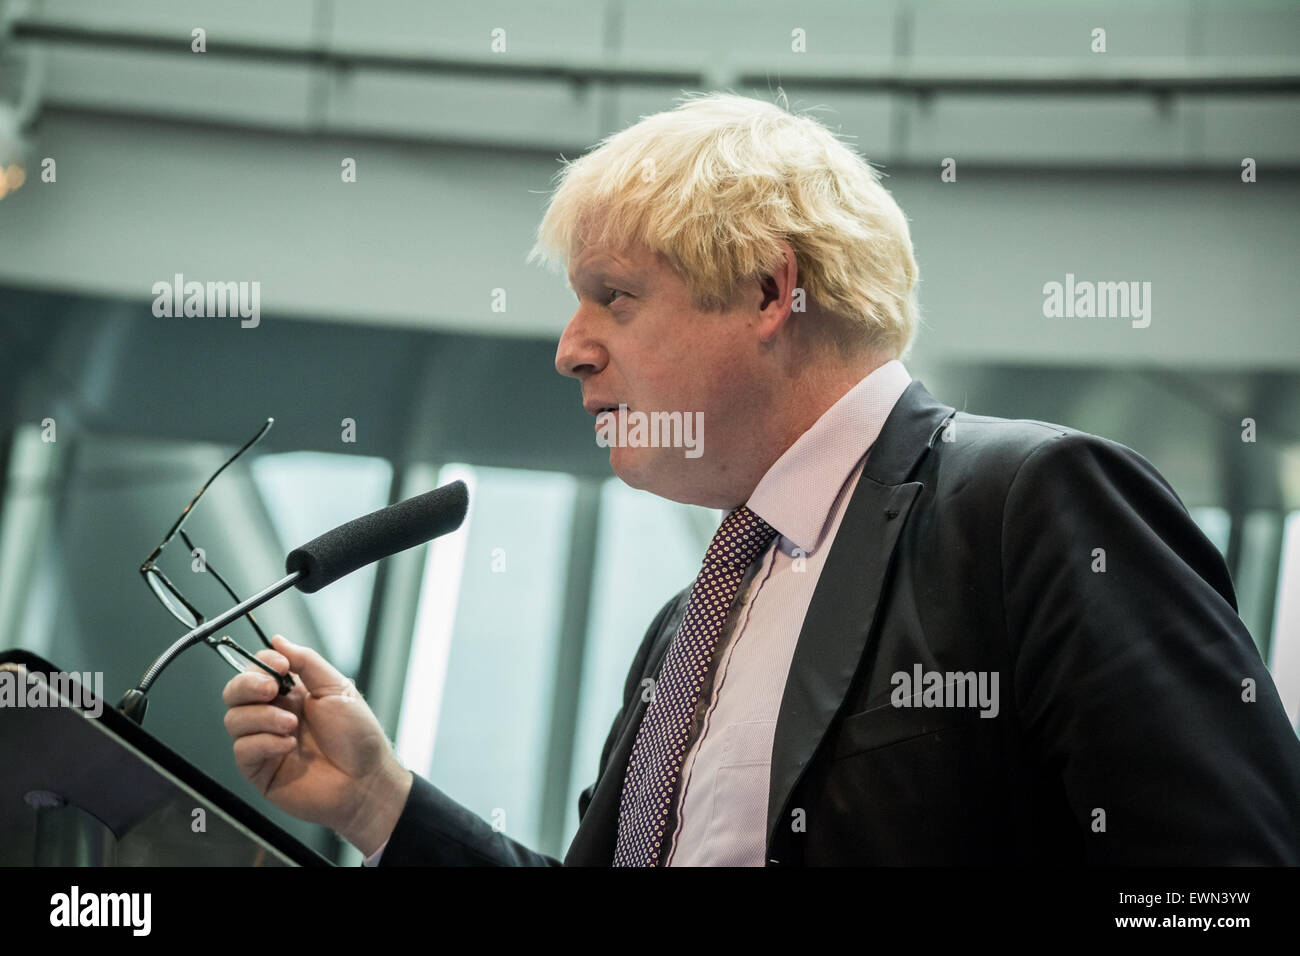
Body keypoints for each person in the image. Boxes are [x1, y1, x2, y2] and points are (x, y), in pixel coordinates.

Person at [222, 92, 1300, 866]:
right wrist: (378, 799)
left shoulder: (1031, 503)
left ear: (769, 288)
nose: (569, 348)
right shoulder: (684, 629)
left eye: (614, 296)